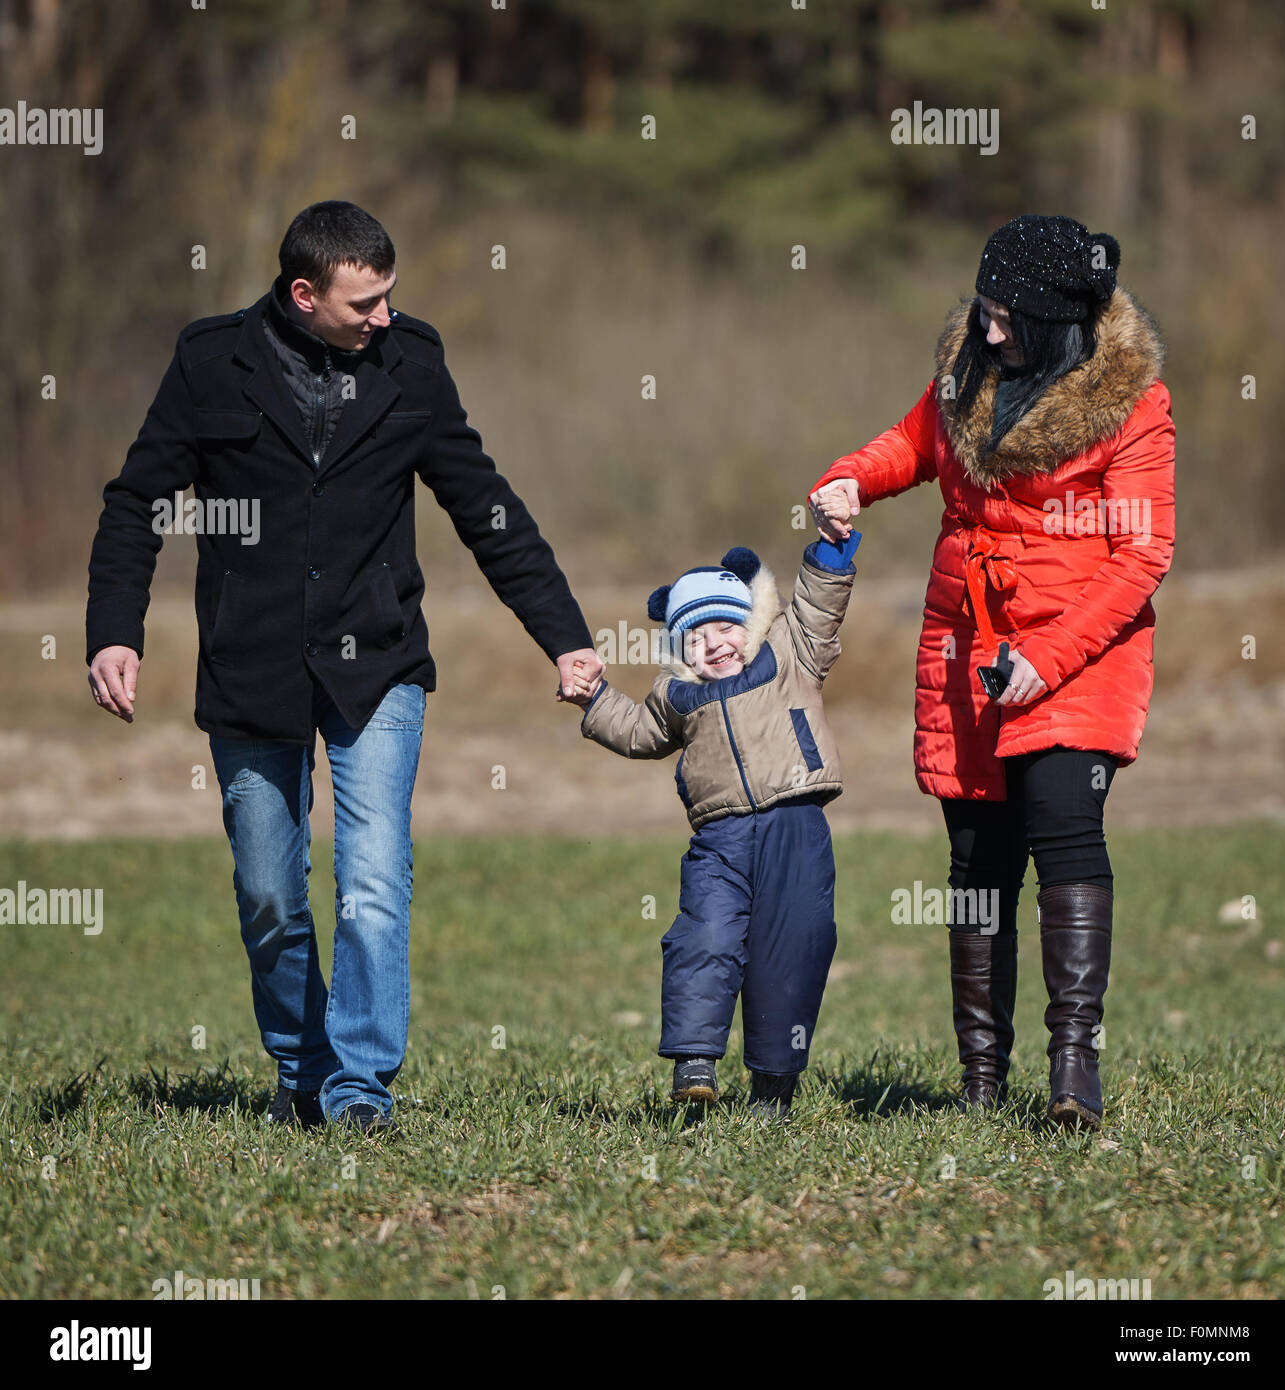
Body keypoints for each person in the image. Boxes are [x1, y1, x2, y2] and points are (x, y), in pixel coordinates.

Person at [85, 200, 604, 1134]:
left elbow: (485, 508)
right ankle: (303, 1067)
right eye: (364, 303)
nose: (383, 318)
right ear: (303, 293)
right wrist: (114, 629)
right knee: (271, 895)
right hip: (251, 669)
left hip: (380, 664)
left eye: (390, 297)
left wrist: (562, 634)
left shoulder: (413, 363)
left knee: (371, 881)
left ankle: (360, 1088)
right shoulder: (211, 362)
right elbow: (137, 502)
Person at [808, 215, 1175, 1131]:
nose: (988, 326)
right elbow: (911, 444)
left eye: (1006, 314)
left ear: (1055, 323)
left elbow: (1141, 558)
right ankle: (979, 1081)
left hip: (1079, 652)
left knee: (1064, 832)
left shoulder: (1132, 409)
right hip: (966, 649)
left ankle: (1071, 1070)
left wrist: (1045, 661)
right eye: (983, 306)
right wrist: (853, 476)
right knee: (976, 863)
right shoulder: (969, 371)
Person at [569, 531, 860, 1118]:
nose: (714, 645)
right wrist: (593, 698)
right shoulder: (677, 696)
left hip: (795, 828)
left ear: (751, 623)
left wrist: (832, 547)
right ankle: (695, 1061)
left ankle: (774, 1086)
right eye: (695, 638)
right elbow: (636, 732)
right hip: (720, 841)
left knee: (794, 948)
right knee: (703, 937)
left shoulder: (791, 652)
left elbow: (820, 600)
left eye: (725, 628)